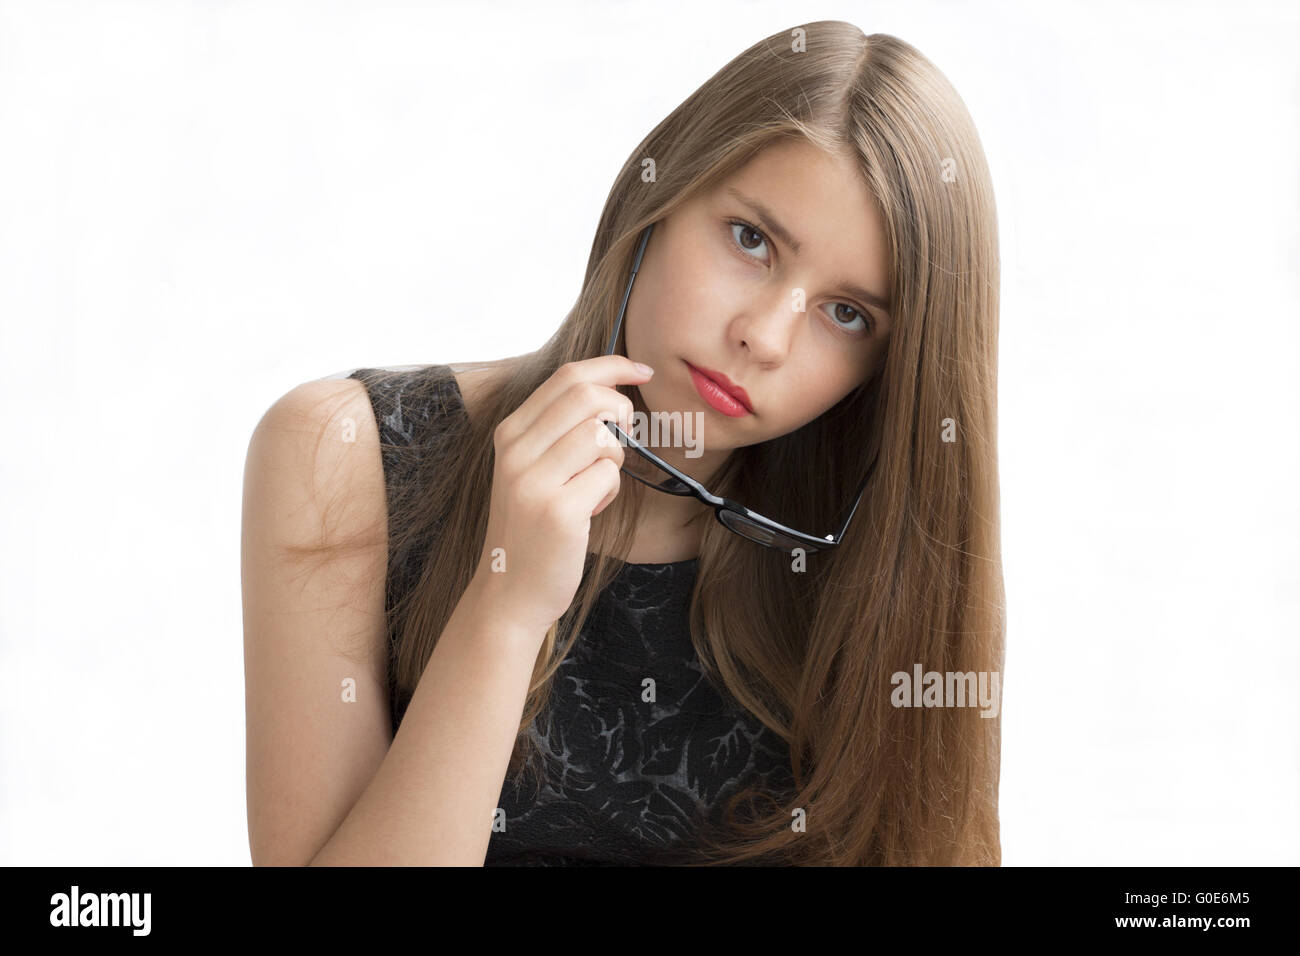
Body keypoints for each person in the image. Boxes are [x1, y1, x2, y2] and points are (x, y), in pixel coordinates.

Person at [242, 20, 1005, 866]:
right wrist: (505, 609)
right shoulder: (342, 455)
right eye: (751, 240)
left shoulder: (883, 574)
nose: (764, 337)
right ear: (660, 196)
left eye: (846, 314)